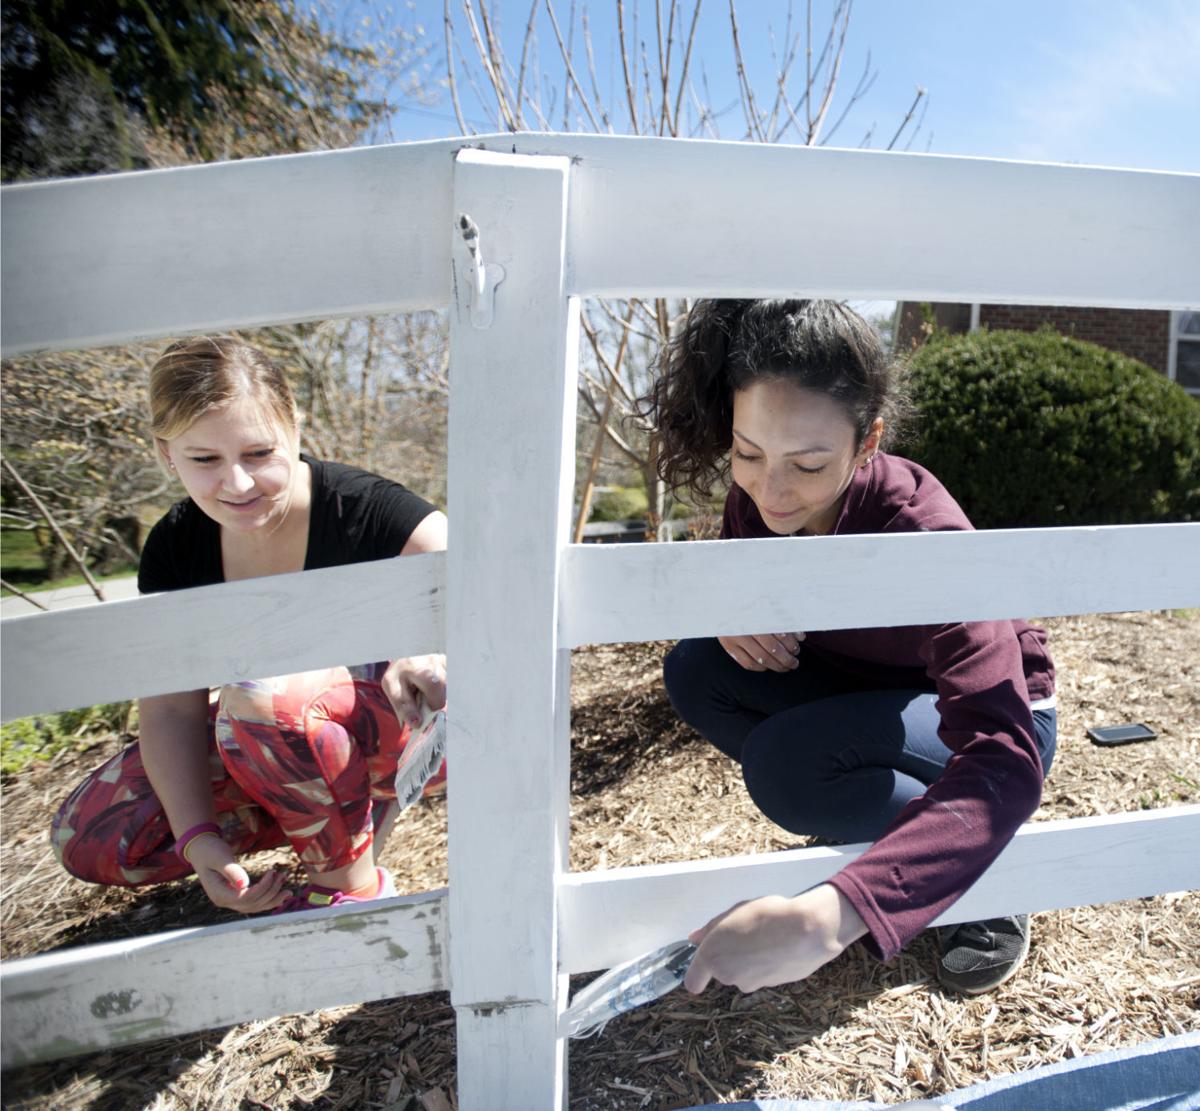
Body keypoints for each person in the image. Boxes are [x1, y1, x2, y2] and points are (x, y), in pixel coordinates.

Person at [645, 300, 1057, 996]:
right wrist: (728, 609)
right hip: (860, 685)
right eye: (748, 453)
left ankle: (987, 879)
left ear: (868, 441)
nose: (771, 490)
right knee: (697, 669)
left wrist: (831, 917)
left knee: (786, 765)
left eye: (807, 464)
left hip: (996, 714)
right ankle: (903, 835)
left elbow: (1004, 751)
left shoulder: (922, 534)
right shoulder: (758, 502)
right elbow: (736, 583)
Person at [51, 337, 448, 915]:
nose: (236, 484)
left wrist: (426, 646)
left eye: (259, 452)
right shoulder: (175, 547)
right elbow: (169, 710)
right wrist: (199, 840)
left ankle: (347, 894)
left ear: (295, 428)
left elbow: (490, 602)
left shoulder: (374, 513)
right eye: (205, 459)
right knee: (93, 836)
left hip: (419, 736)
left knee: (263, 696)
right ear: (167, 453)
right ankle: (328, 818)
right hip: (281, 744)